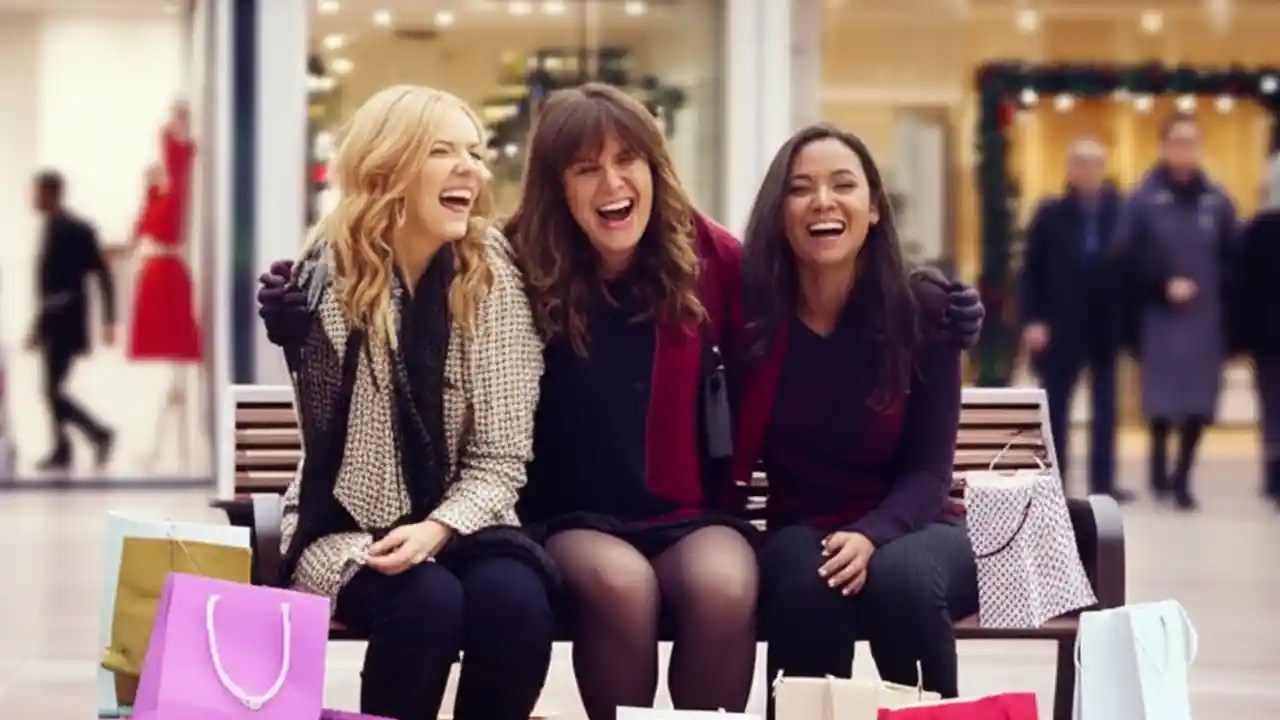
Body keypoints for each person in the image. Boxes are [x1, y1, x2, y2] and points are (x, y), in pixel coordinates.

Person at [258, 83, 986, 719]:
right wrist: (301, 310)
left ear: (653, 169)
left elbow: (816, 283)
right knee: (620, 585)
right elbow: (411, 277)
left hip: (689, 512)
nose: (612, 183)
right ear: (559, 185)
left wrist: (936, 304)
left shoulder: (710, 257)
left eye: (626, 160)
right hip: (569, 516)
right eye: (586, 168)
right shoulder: (516, 263)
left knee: (726, 584)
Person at [264, 85, 556, 720]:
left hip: (468, 525)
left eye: (476, 154)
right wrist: (307, 341)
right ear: (390, 166)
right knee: (425, 602)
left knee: (516, 604)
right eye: (443, 151)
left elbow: (501, 459)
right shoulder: (330, 271)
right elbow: (348, 472)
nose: (472, 172)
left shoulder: (491, 271)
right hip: (345, 530)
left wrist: (437, 529)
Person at [734, 124, 978, 711]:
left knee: (904, 581)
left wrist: (873, 534)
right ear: (780, 212)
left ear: (873, 209)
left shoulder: (923, 308)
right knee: (801, 577)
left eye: (843, 184)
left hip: (919, 525)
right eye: (801, 188)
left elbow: (929, 470)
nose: (823, 201)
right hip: (804, 527)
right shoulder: (754, 320)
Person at [1115, 112, 1238, 511]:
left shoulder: (1217, 201)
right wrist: (1161, 282)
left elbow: (1233, 258)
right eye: (1177, 141)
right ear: (1164, 147)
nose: (1185, 150)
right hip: (1159, 317)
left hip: (1205, 318)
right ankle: (1158, 466)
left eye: (1192, 142)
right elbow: (1126, 256)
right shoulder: (1143, 200)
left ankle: (1184, 476)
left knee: (1200, 400)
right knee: (1162, 398)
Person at [1020, 138, 1131, 502]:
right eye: (1079, 163)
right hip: (1059, 324)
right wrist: (1032, 319)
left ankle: (1104, 482)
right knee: (1056, 409)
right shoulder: (1050, 214)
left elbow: (1133, 266)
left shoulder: (1119, 212)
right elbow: (1030, 271)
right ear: (1069, 170)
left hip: (1105, 326)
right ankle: (1055, 480)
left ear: (1102, 169)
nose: (1086, 171)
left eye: (1093, 164)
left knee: (1106, 410)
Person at [28, 170, 116, 471]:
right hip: (52, 321)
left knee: (53, 390)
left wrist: (109, 320)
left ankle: (99, 433)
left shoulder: (76, 229)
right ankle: (63, 449)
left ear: (51, 193)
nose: (32, 198)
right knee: (50, 388)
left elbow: (103, 274)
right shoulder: (50, 227)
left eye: (37, 192)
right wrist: (37, 326)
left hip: (66, 320)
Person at [1234, 152, 1280, 507]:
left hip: (1266, 337)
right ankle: (1274, 473)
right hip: (1269, 339)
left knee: (1273, 408)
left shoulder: (1256, 231)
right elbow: (1245, 288)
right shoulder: (1258, 232)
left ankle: (1274, 473)